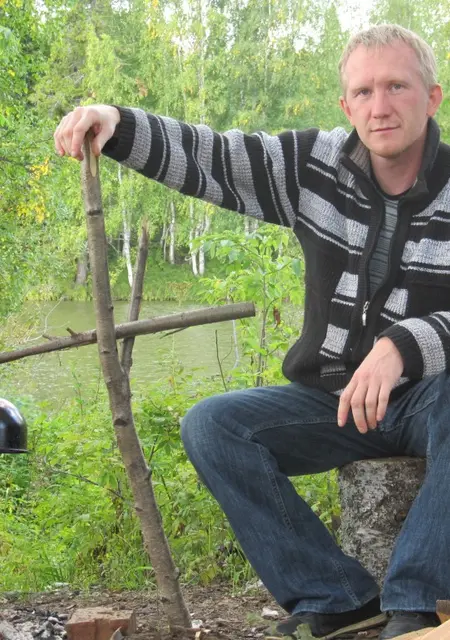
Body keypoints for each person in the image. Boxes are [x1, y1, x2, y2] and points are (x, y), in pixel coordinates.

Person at [54, 23, 450, 640]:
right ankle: (337, 596)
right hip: (333, 401)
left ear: (432, 97)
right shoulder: (316, 165)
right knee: (212, 426)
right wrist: (119, 123)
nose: (380, 106)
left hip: (433, 400)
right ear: (346, 106)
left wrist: (404, 345)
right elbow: (215, 156)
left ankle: (416, 603)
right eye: (364, 91)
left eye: (397, 86)